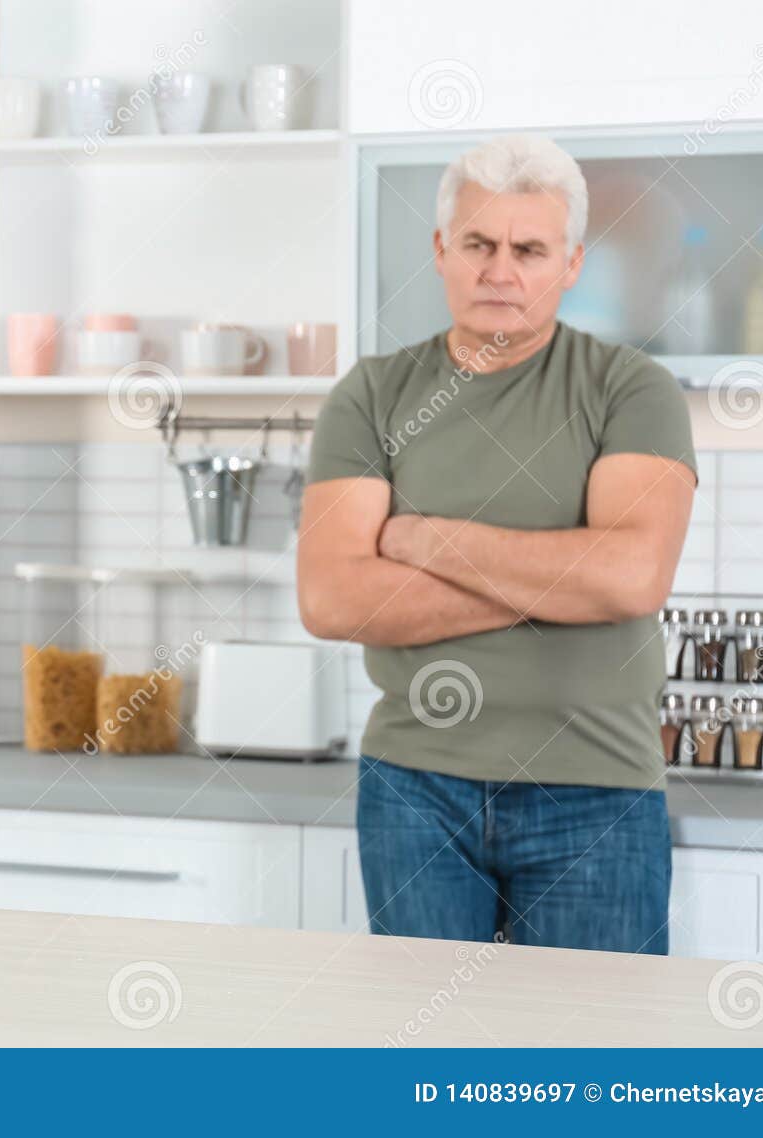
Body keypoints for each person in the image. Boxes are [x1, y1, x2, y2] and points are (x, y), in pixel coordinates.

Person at [297, 135, 696, 954]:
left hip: (596, 791)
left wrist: (426, 539)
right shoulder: (372, 395)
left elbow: (628, 579)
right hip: (415, 788)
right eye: (478, 243)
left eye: (529, 249)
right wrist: (552, 573)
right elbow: (332, 598)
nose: (500, 270)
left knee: (592, 1066)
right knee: (429, 1064)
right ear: (442, 250)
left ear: (572, 263)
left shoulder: (631, 388)